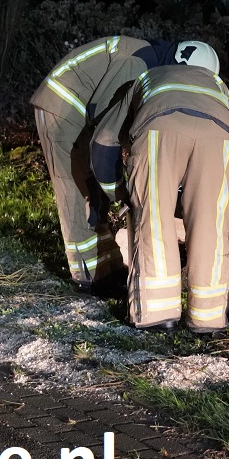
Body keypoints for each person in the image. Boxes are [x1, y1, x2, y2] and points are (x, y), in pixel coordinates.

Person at [91, 41, 229, 333]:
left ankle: (157, 315)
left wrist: (119, 193)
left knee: (154, 221)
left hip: (157, 131)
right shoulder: (217, 84)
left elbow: (103, 145)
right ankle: (209, 318)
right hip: (218, 139)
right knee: (210, 226)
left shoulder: (148, 78)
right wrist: (203, 187)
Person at [30, 36, 178, 293]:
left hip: (81, 109)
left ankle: (108, 267)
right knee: (74, 190)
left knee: (94, 191)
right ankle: (87, 276)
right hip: (62, 106)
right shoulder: (137, 64)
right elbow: (106, 118)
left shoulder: (149, 60)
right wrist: (122, 184)